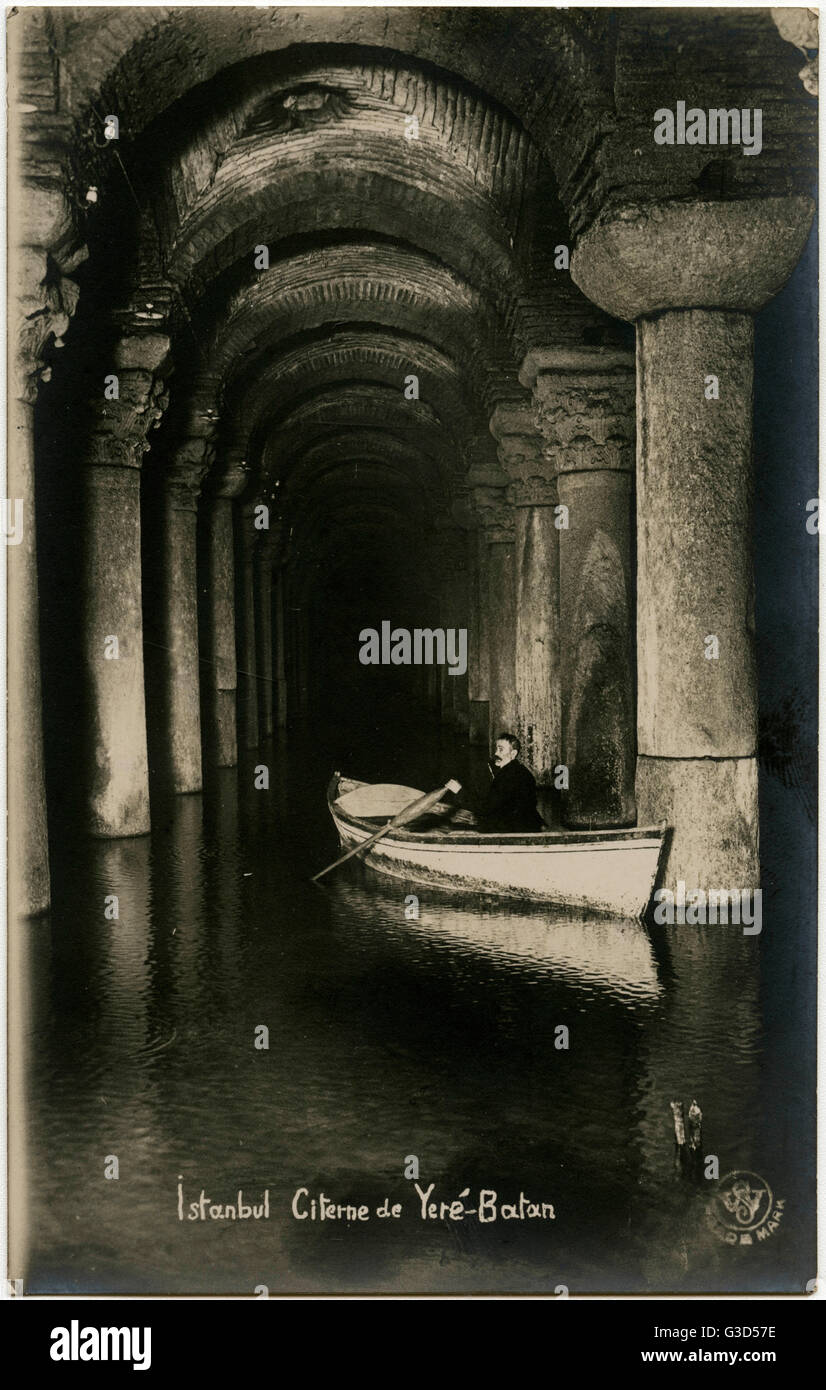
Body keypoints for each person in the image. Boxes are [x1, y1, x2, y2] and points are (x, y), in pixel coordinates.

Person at [481, 733, 544, 832]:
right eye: (496, 749)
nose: (496, 753)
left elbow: (487, 808)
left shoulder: (507, 776)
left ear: (513, 754)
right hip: (525, 826)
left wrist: (460, 792)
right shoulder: (522, 771)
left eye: (501, 749)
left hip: (512, 830)